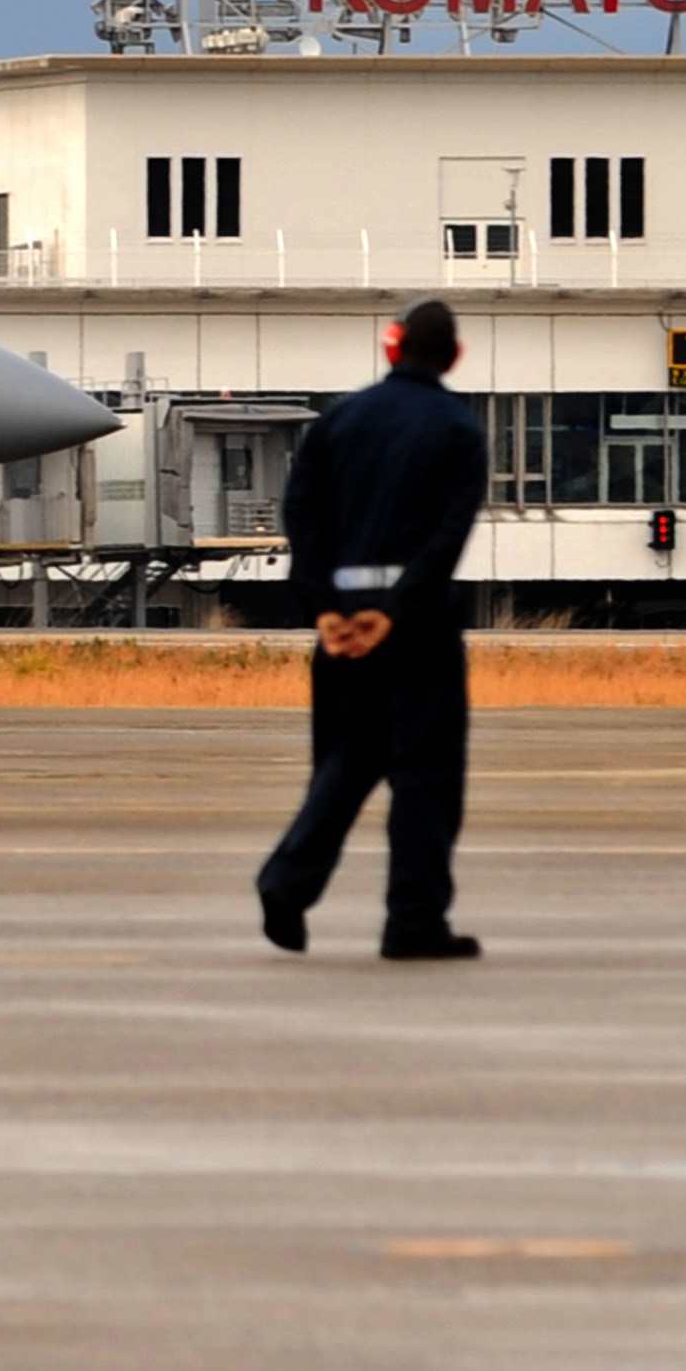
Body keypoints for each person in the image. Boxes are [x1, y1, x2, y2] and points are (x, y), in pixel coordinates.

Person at [257, 297, 488, 960]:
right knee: (425, 772)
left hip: (339, 628)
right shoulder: (457, 429)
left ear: (393, 347)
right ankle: (413, 921)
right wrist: (392, 612)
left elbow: (302, 516)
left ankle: (287, 883)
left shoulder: (340, 420)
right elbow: (446, 539)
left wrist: (325, 608)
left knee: (349, 757)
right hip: (413, 628)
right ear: (454, 357)